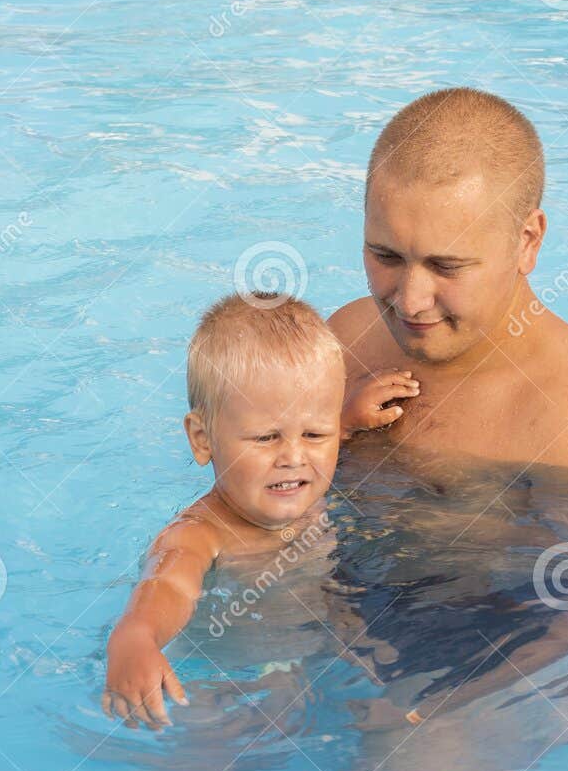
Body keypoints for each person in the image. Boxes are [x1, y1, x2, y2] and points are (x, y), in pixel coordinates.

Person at [101, 291, 406, 728]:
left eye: (316, 434)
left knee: (403, 714)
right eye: (266, 438)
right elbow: (168, 585)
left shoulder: (303, 473)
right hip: (233, 680)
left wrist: (348, 422)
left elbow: (306, 437)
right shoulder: (200, 534)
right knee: (204, 759)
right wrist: (136, 636)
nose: (294, 458)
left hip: (321, 648)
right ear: (203, 439)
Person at [329, 86, 568, 479]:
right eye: (386, 257)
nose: (410, 302)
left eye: (447, 266)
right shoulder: (346, 342)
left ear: (527, 242)